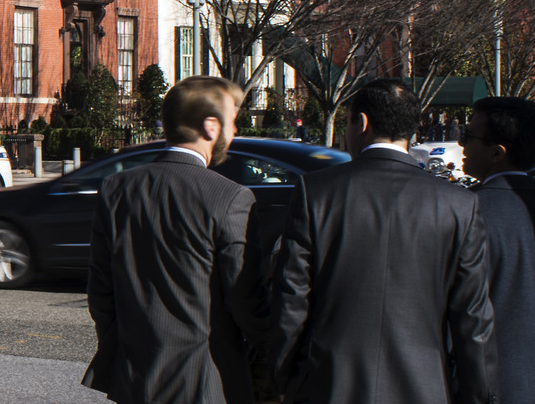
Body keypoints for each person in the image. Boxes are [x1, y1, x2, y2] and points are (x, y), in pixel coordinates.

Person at [268, 77, 494, 404]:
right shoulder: (459, 205)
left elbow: (291, 297)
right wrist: (477, 394)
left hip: (327, 383)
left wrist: (283, 378)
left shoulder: (315, 192)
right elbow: (472, 319)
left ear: (361, 123)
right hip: (425, 386)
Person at [84, 75, 265, 404]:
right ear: (211, 126)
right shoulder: (230, 197)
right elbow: (245, 300)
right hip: (204, 380)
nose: (235, 131)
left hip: (134, 378)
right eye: (232, 121)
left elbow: (101, 292)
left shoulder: (116, 188)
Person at [464, 95, 535, 404]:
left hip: (493, 384)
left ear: (497, 152)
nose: (462, 145)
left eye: (468, 136)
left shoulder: (467, 211)